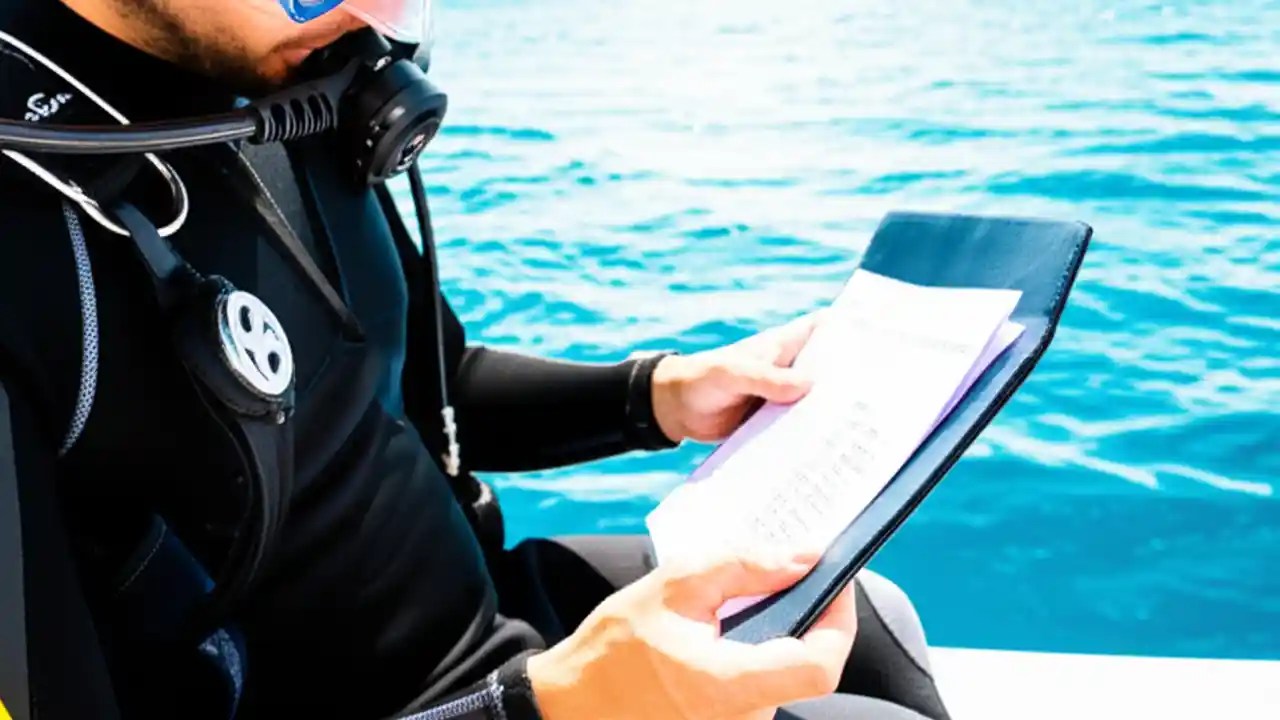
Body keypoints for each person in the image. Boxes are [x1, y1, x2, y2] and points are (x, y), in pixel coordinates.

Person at [0, 1, 953, 718]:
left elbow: (420, 379)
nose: (374, 15)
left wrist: (657, 394)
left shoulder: (290, 77)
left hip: (503, 626)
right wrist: (555, 704)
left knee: (867, 616)